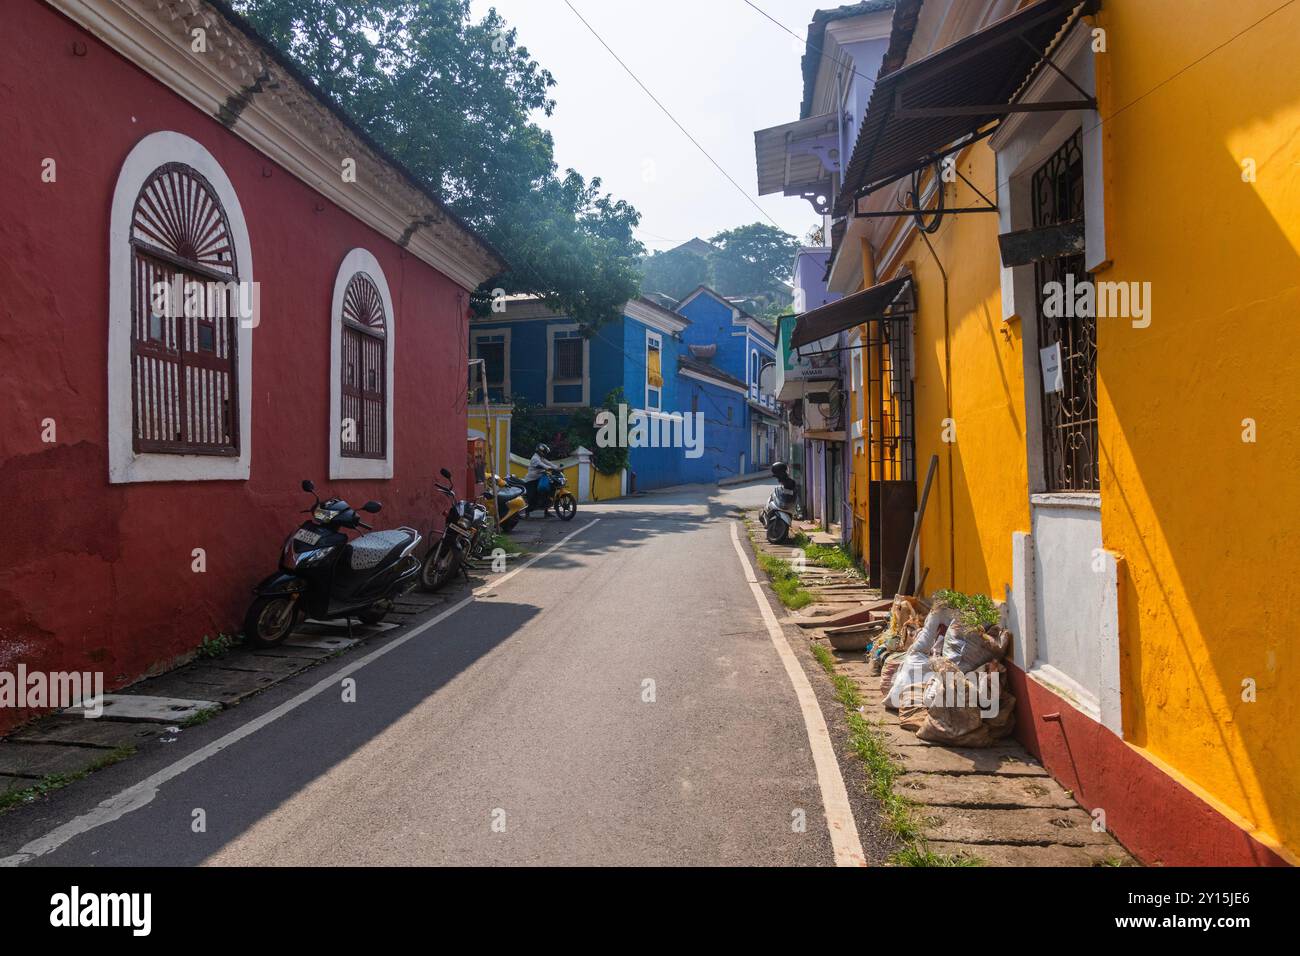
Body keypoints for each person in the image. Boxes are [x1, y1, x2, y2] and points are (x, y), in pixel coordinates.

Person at [524, 443, 559, 516]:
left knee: (547, 491)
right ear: (540, 451)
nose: (544, 454)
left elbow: (548, 463)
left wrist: (557, 468)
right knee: (533, 496)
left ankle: (546, 511)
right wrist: (548, 468)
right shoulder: (535, 458)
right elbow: (541, 465)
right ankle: (527, 512)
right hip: (532, 480)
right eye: (544, 452)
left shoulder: (541, 458)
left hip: (540, 478)